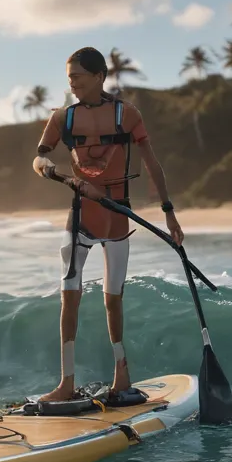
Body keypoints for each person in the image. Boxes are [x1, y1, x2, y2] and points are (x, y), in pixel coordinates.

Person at [32, 47, 183, 402]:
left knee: (113, 301)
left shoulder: (126, 115)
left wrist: (168, 211)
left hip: (117, 216)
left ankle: (122, 376)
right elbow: (39, 160)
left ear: (99, 76)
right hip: (81, 215)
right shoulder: (62, 118)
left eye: (78, 78)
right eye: (69, 78)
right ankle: (66, 383)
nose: (72, 85)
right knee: (70, 296)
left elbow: (152, 164)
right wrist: (67, 178)